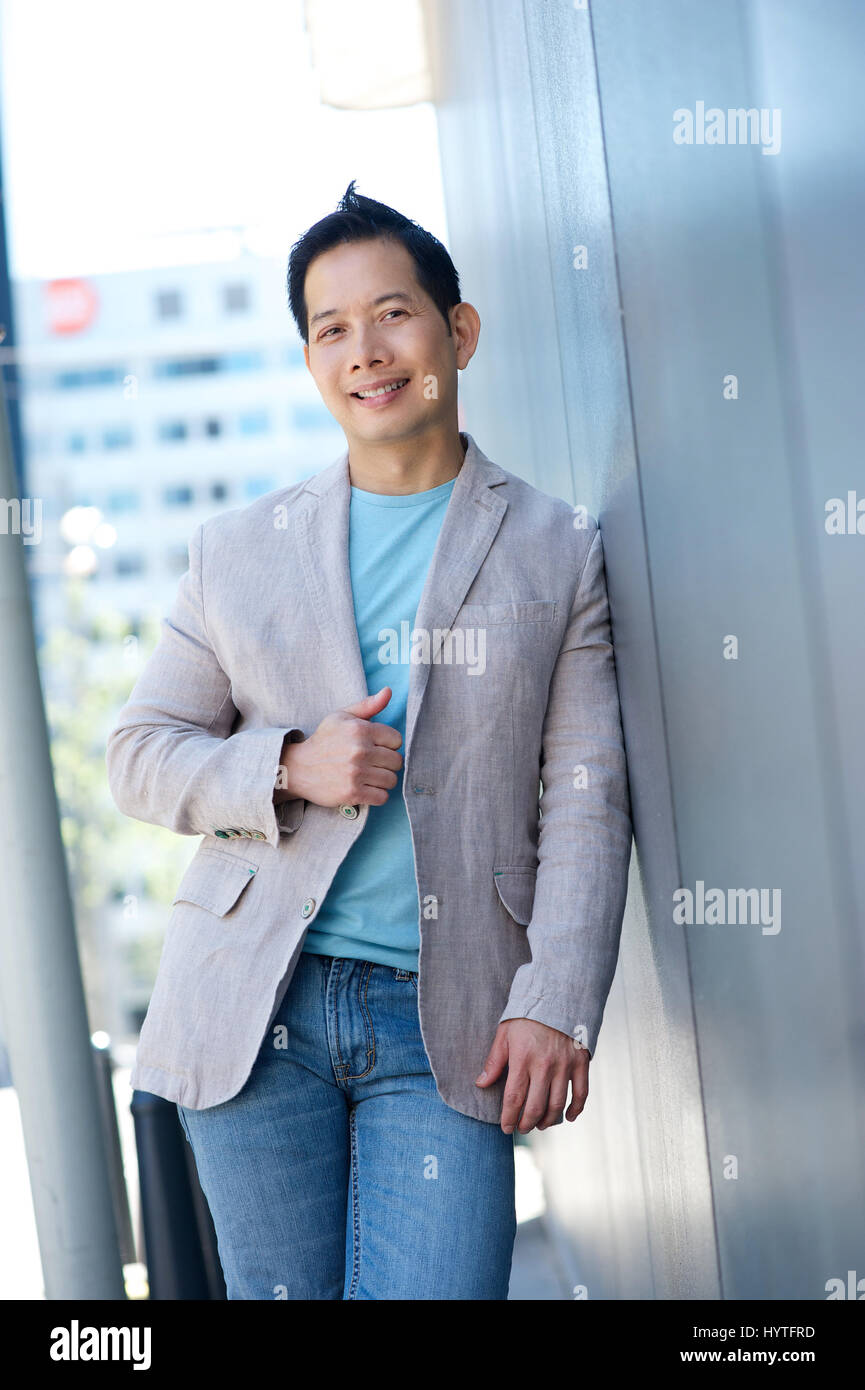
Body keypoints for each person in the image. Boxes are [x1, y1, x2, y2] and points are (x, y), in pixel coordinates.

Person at [106, 181, 632, 1300]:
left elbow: (586, 794)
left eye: (392, 313)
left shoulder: (555, 546)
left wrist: (557, 997)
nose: (366, 350)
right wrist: (287, 765)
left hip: (446, 1022)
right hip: (255, 1014)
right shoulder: (237, 550)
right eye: (330, 329)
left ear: (458, 331)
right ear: (311, 363)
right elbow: (139, 752)